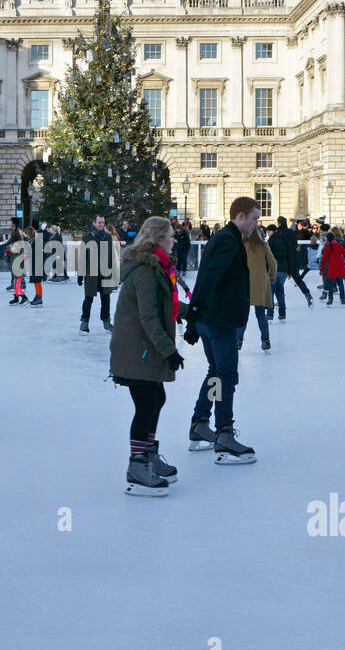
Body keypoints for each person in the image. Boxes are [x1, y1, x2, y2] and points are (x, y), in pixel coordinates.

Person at [110, 216, 184, 496]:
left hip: (143, 347)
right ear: (156, 240)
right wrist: (170, 351)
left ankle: (148, 455)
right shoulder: (144, 270)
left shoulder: (157, 267)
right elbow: (149, 316)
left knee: (156, 399)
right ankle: (136, 465)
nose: (173, 240)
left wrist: (190, 312)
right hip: (136, 349)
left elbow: (164, 303)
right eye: (170, 236)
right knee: (146, 404)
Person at [184, 197, 259, 464]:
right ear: (241, 216)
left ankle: (200, 424)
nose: (256, 224)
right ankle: (224, 434)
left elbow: (206, 276)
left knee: (216, 372)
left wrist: (196, 316)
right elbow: (210, 276)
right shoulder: (228, 240)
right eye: (253, 218)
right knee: (226, 375)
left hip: (210, 318)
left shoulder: (224, 238)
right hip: (218, 321)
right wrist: (194, 314)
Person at [78, 213, 117, 334]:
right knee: (88, 298)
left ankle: (106, 321)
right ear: (94, 223)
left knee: (106, 298)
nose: (102, 225)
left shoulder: (108, 237)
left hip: (105, 272)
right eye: (99, 222)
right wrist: (80, 274)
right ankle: (84, 322)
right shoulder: (87, 237)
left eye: (103, 222)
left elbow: (112, 256)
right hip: (91, 272)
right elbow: (82, 257)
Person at [242, 226, 277, 350]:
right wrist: (271, 276)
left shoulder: (243, 245)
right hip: (261, 281)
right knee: (261, 313)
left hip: (245, 281)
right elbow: (273, 263)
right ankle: (265, 339)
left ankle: (238, 339)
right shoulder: (263, 245)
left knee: (243, 313)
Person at [319, 230, 345, 307]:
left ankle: (330, 299)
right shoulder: (339, 245)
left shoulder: (327, 247)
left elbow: (324, 259)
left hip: (332, 268)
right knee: (341, 284)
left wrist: (322, 269)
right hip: (339, 266)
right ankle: (343, 299)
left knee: (330, 284)